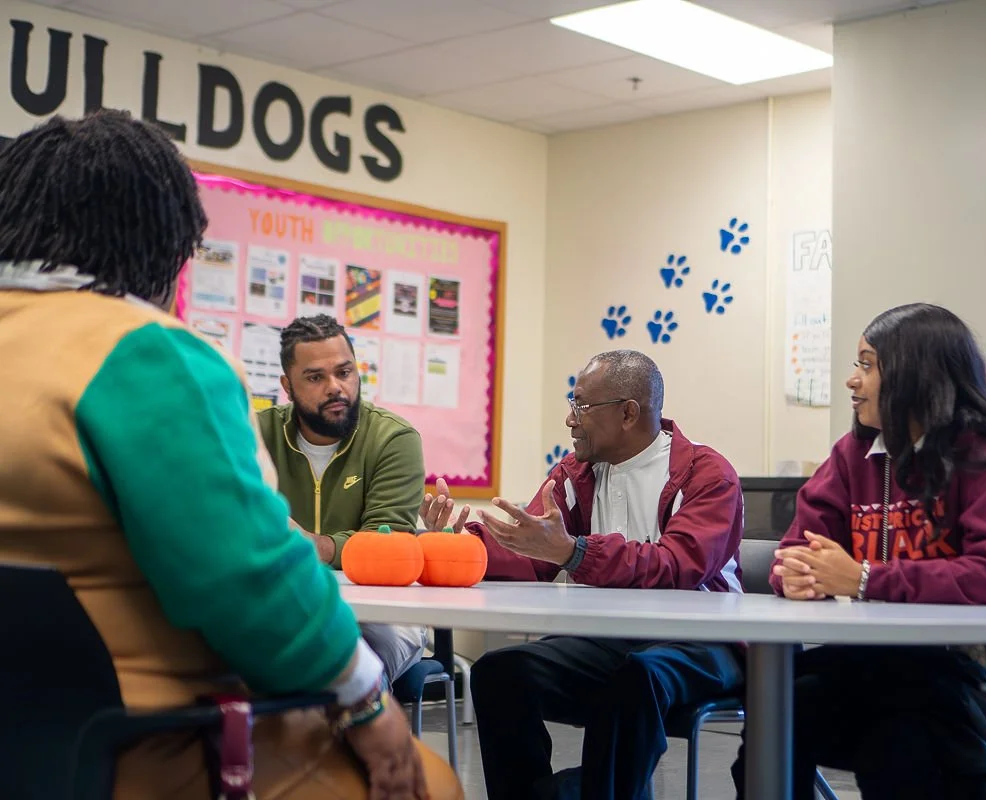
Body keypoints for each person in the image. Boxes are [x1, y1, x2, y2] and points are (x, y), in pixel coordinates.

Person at [0, 110, 459, 799]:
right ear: (164, 240)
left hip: (18, 739)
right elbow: (246, 580)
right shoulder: (149, 354)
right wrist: (365, 698)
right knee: (434, 780)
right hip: (138, 743)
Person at [730, 303, 986, 799]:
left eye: (867, 364)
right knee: (777, 710)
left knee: (899, 734)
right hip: (877, 665)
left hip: (969, 672)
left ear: (913, 374)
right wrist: (793, 573)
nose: (851, 381)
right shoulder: (853, 455)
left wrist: (861, 579)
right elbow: (798, 547)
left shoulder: (980, 458)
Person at [421, 350, 744, 800]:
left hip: (705, 642)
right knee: (498, 672)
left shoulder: (707, 475)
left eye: (581, 406)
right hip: (612, 639)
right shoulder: (576, 474)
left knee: (637, 678)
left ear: (629, 412)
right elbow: (530, 549)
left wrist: (575, 552)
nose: (570, 420)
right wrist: (460, 545)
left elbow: (678, 566)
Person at [258, 314, 428, 684]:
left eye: (345, 372)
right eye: (316, 377)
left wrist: (313, 547)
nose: (336, 387)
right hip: (286, 600)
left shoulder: (393, 439)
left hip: (383, 612)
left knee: (352, 668)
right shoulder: (256, 434)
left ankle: (364, 733)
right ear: (288, 386)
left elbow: (391, 548)